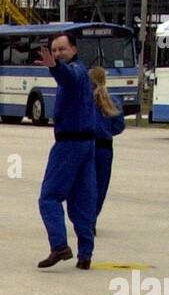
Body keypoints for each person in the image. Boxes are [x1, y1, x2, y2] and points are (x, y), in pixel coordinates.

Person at [35, 33, 97, 270]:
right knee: (81, 199)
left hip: (69, 144)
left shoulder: (75, 72)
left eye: (62, 49)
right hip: (86, 144)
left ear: (74, 49)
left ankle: (59, 245)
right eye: (54, 50)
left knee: (49, 197)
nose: (58, 53)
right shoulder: (81, 73)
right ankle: (85, 254)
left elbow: (68, 77)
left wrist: (55, 67)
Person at [89, 64, 125, 220]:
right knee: (101, 185)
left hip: (88, 145)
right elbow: (119, 125)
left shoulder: (85, 100)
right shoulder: (112, 101)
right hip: (105, 148)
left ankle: (85, 216)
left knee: (86, 184)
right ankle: (93, 216)